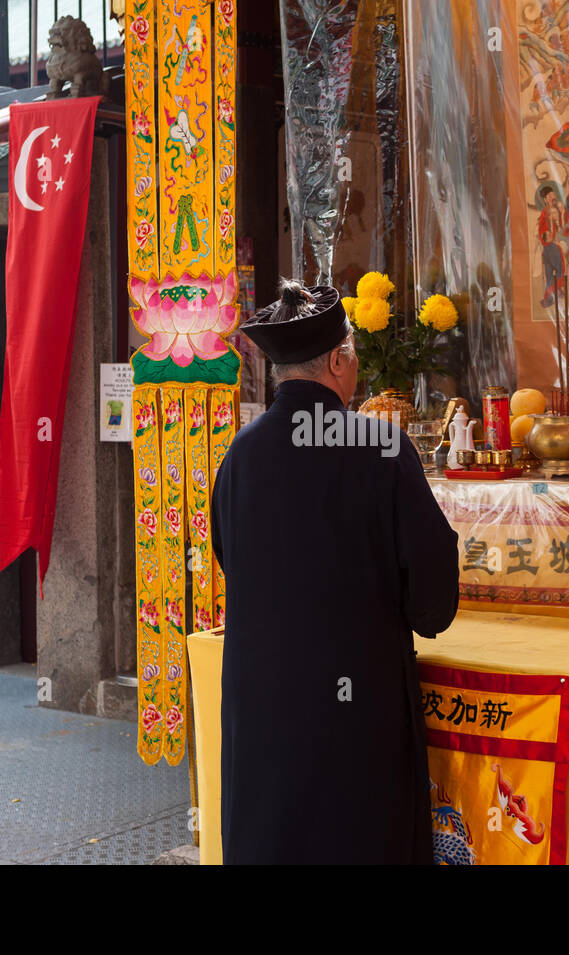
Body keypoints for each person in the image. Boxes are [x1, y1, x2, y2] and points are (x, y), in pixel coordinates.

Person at [211, 280, 460, 864]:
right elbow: (433, 604)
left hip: (264, 719)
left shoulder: (239, 456)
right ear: (340, 360)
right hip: (356, 720)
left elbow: (233, 561)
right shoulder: (381, 446)